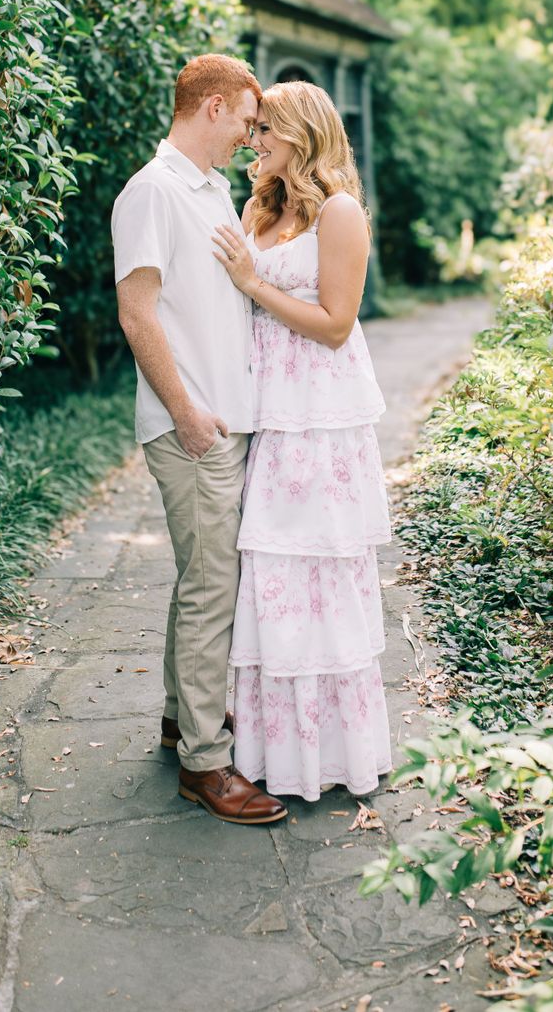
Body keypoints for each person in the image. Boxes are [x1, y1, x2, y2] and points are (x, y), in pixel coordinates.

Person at [112, 54, 287, 826]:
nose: (252, 138)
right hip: (195, 426)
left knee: (205, 579)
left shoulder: (212, 190)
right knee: (215, 587)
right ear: (213, 107)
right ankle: (206, 766)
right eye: (248, 122)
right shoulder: (151, 193)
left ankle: (182, 719)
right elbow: (138, 314)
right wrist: (188, 415)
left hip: (225, 417)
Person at [212, 80, 392, 801]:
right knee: (271, 579)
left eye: (265, 131)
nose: (254, 140)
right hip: (267, 412)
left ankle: (329, 754)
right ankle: (270, 750)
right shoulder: (261, 205)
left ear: (300, 133)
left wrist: (254, 284)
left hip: (320, 422)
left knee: (317, 576)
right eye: (253, 131)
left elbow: (336, 324)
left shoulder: (341, 213)